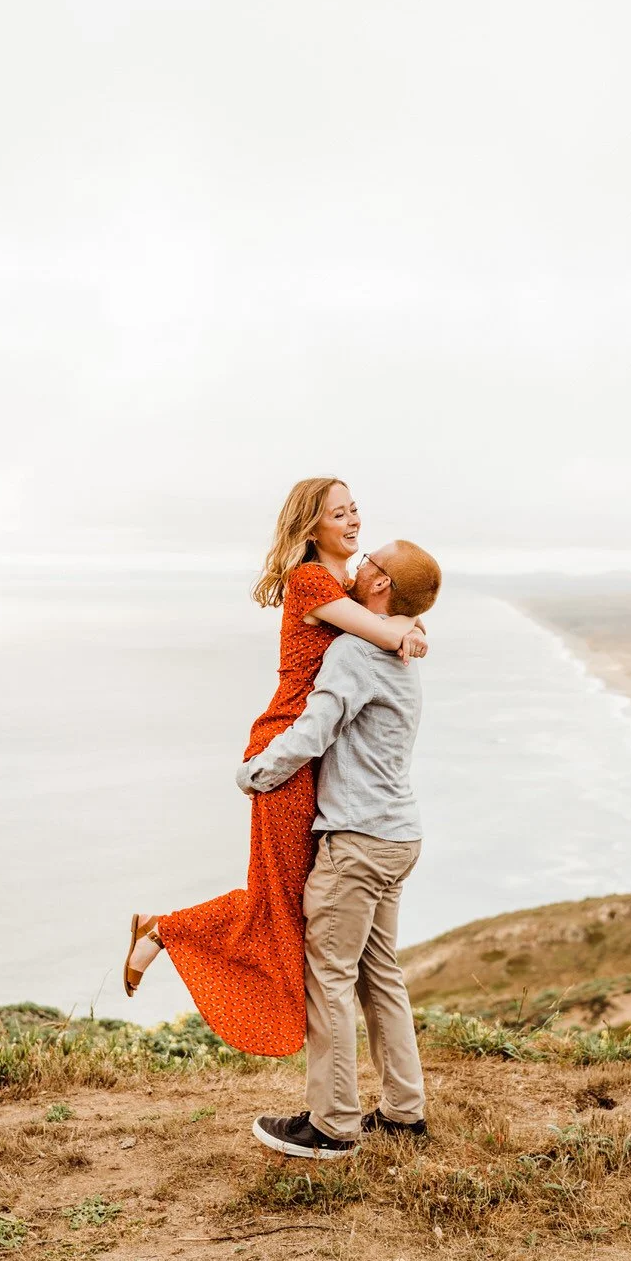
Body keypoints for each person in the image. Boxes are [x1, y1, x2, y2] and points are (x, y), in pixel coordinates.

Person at [122, 478, 428, 1058]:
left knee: (291, 905)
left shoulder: (345, 586)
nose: (353, 522)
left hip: (307, 759)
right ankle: (164, 930)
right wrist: (408, 628)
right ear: (312, 527)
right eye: (339, 514)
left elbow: (388, 623)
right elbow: (384, 630)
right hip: (285, 752)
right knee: (280, 904)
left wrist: (409, 625)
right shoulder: (310, 580)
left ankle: (163, 928)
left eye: (355, 510)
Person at [238, 540, 442, 1157]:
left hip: (356, 841)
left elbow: (314, 728)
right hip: (399, 835)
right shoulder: (397, 653)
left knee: (328, 975)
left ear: (380, 584)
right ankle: (404, 1112)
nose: (355, 567)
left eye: (368, 562)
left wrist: (258, 772)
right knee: (380, 975)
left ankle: (331, 1126)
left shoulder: (355, 651)